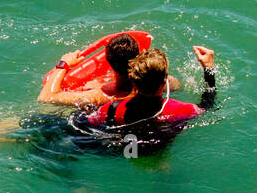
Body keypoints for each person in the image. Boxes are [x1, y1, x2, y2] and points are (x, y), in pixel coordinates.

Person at [77, 45, 215, 148]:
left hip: (127, 150)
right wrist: (209, 69)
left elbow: (85, 123)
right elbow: (208, 107)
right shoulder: (181, 110)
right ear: (164, 82)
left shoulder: (112, 110)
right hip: (157, 150)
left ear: (133, 82)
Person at [38, 32, 180, 108]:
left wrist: (63, 64)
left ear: (108, 62)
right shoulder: (158, 83)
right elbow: (177, 85)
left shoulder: (98, 96)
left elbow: (46, 97)